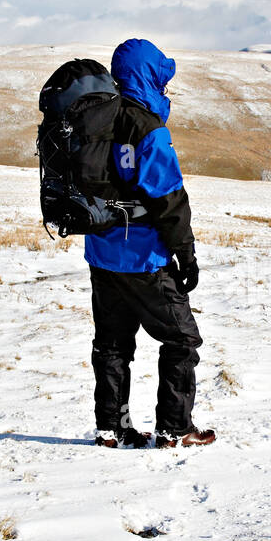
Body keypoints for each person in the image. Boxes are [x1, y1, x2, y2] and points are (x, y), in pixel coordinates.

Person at [86, 37, 215, 449]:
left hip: (102, 254)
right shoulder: (149, 130)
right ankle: (175, 429)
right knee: (181, 340)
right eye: (161, 79)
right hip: (144, 257)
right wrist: (187, 256)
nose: (165, 88)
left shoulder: (95, 120)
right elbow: (169, 198)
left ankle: (111, 429)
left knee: (111, 344)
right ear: (148, 77)